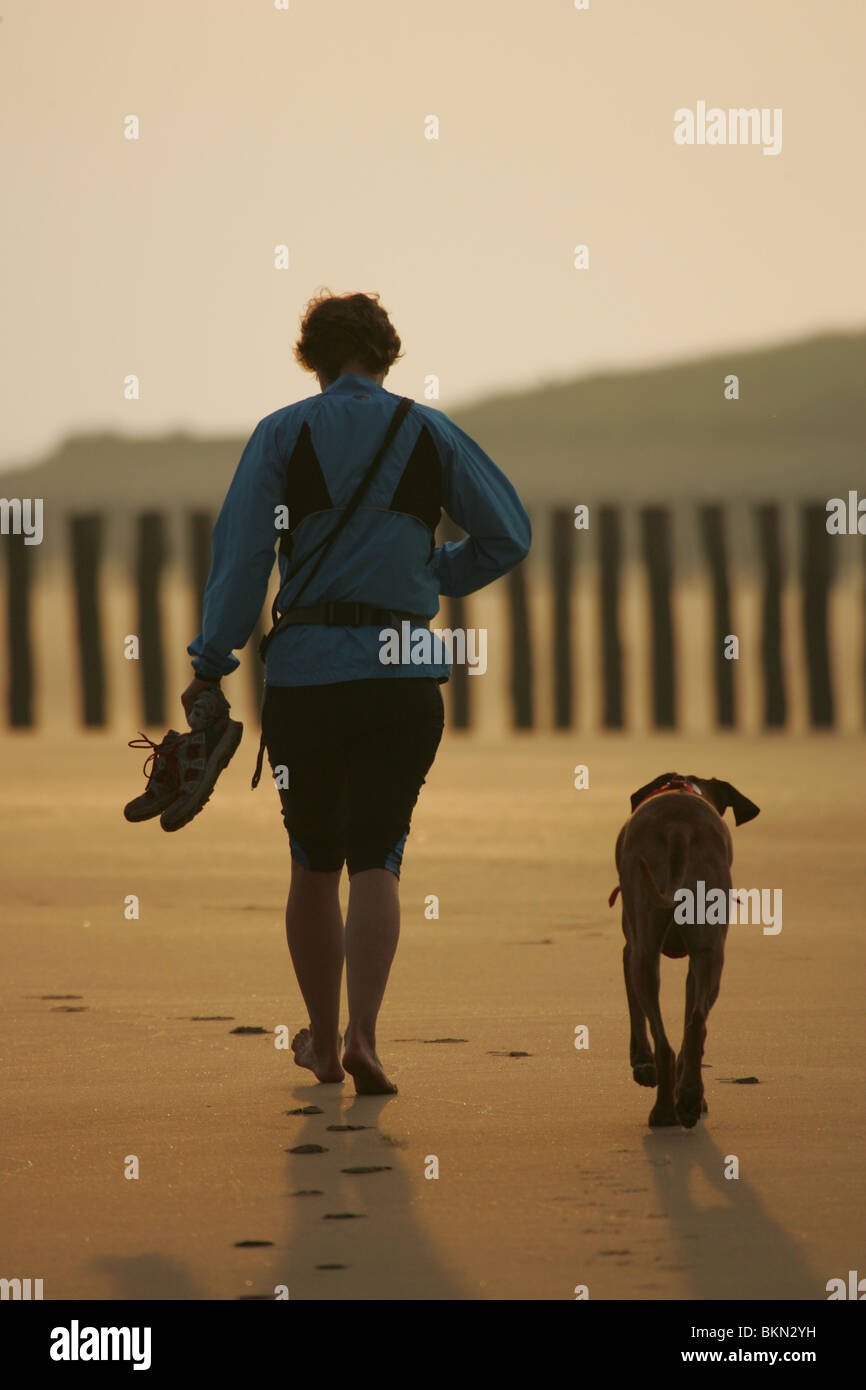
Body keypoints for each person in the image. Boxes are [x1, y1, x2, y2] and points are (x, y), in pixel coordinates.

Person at [182, 290, 531, 1094]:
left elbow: (239, 560)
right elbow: (509, 534)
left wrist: (211, 663)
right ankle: (367, 1035)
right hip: (404, 680)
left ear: (311, 356)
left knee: (312, 861)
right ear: (387, 352)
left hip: (306, 678)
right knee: (380, 855)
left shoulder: (281, 432)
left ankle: (323, 1039)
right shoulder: (429, 430)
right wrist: (426, 575)